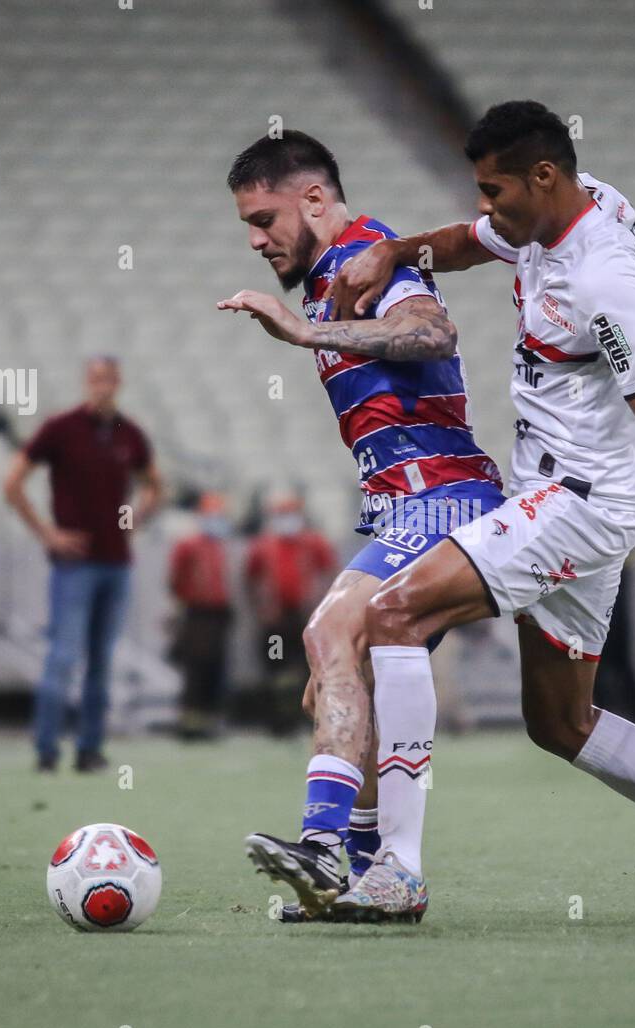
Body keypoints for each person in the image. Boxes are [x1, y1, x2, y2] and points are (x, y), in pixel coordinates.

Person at [324, 101, 635, 928]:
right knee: (561, 722)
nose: (486, 208)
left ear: (543, 177)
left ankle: (397, 869)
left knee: (392, 616)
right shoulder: (551, 217)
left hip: (577, 505)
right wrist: (395, 252)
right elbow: (468, 245)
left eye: (494, 190)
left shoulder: (605, 280)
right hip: (559, 498)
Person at [218, 129, 507, 918]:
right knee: (333, 691)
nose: (254, 238)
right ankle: (370, 874)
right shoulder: (321, 279)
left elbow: (433, 332)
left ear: (314, 199)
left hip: (447, 494)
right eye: (246, 223)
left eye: (265, 217)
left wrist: (310, 331)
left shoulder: (371, 252)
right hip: (404, 506)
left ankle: (321, 850)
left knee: (326, 635)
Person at [3, 357, 164, 772]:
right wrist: (47, 533)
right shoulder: (61, 429)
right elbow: (12, 481)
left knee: (101, 660)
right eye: (96, 379)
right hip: (74, 564)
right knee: (63, 656)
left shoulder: (130, 434)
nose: (103, 387)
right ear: (86, 383)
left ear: (118, 383)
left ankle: (89, 749)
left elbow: (155, 486)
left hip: (115, 562)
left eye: (109, 379)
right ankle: (46, 749)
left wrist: (136, 517)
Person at [244, 493, 337, 737]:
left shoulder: (313, 543)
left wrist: (320, 606)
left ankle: (306, 719)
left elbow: (330, 574)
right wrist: (262, 609)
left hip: (304, 621)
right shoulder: (264, 546)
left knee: (307, 669)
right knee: (277, 669)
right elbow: (251, 579)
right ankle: (279, 722)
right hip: (277, 624)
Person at [167, 492, 234, 740]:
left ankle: (208, 720)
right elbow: (176, 580)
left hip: (217, 613)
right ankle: (191, 724)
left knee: (214, 668)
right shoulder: (188, 545)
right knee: (196, 667)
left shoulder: (217, 547)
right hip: (197, 613)